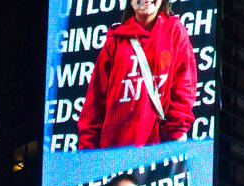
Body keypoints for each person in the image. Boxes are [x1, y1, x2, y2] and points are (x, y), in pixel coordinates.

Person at [77, 0, 197, 151]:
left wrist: (173, 141)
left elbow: (184, 90)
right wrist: (88, 151)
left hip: (157, 152)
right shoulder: (115, 40)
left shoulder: (175, 32)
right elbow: (94, 105)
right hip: (113, 155)